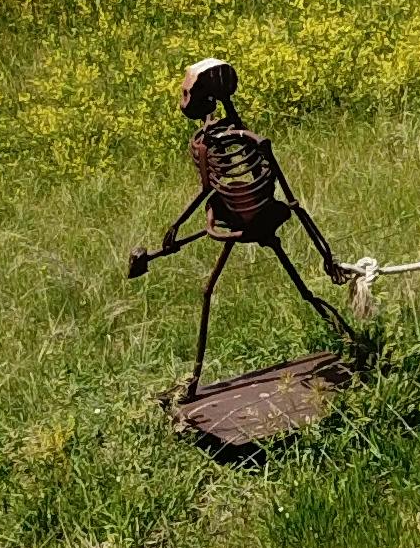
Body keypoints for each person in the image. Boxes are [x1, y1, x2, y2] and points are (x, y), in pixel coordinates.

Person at [127, 58, 360, 399]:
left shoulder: (236, 142)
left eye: (190, 90)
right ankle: (350, 342)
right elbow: (223, 189)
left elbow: (234, 189)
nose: (185, 98)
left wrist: (327, 255)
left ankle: (350, 343)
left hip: (254, 217)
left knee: (213, 291)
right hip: (234, 212)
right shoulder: (212, 140)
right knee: (274, 287)